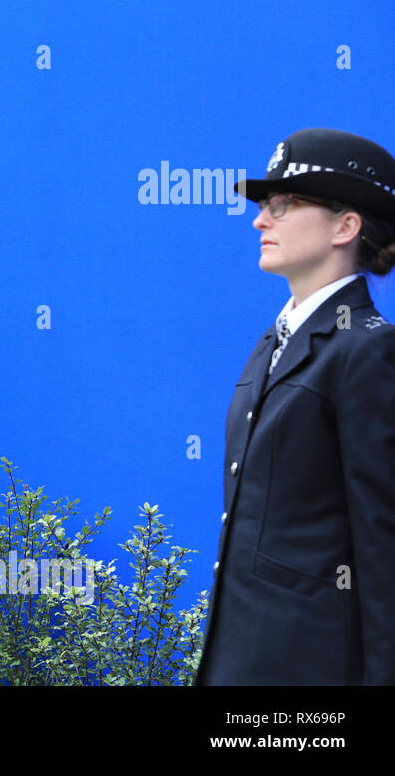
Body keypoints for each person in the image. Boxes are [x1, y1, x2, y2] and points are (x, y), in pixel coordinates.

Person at [199, 128, 395, 685]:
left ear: (345, 224)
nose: (261, 220)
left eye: (282, 205)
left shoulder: (371, 349)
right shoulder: (271, 344)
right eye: (264, 206)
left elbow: (384, 553)